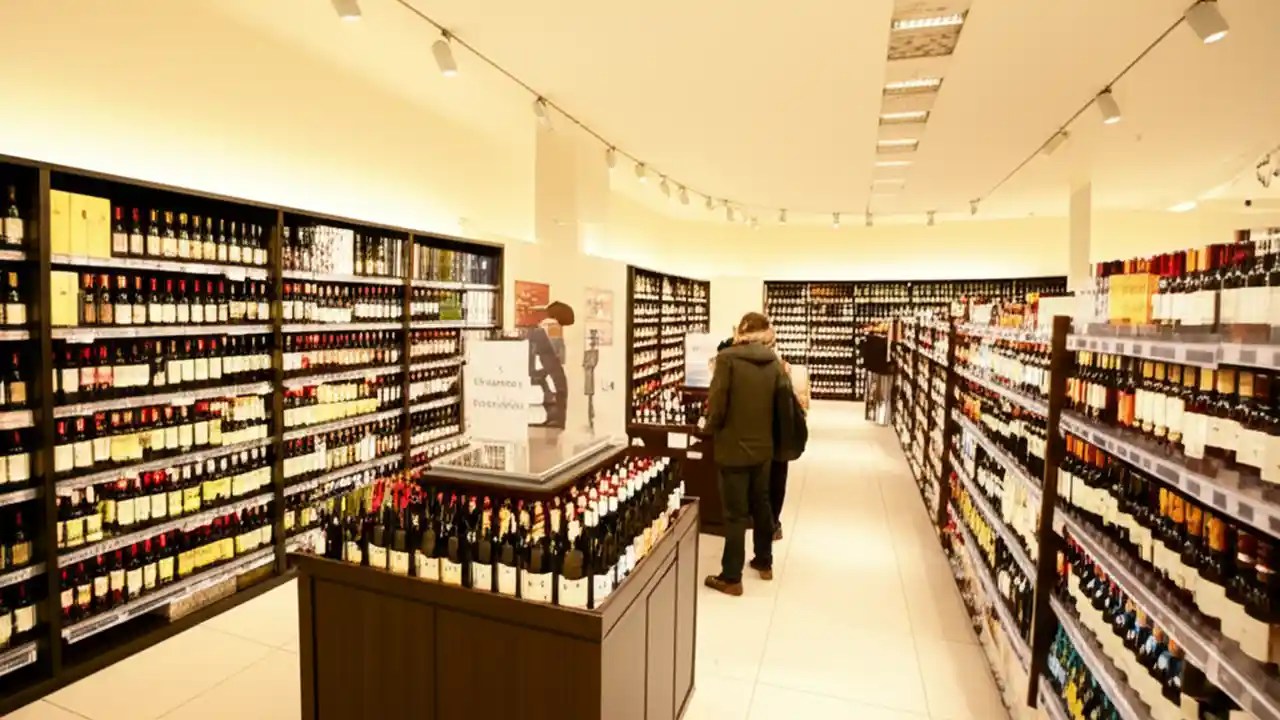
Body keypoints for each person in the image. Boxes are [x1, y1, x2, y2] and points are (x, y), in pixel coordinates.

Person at [703, 312, 787, 596]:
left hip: (733, 448)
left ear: (740, 331)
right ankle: (764, 561)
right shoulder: (773, 362)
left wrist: (708, 427)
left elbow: (717, 405)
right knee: (762, 503)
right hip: (763, 448)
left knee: (735, 514)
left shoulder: (727, 359)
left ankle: (731, 577)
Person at [768, 340, 810, 541]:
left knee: (765, 484)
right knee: (776, 482)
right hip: (778, 440)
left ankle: (768, 526)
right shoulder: (781, 372)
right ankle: (772, 525)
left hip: (761, 439)